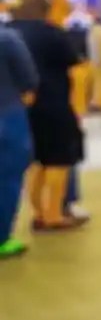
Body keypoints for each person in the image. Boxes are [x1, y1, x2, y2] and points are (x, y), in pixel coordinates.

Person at [9, 0, 87, 231]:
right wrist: (79, 106)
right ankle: (52, 215)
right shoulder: (53, 35)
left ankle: (39, 212)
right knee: (59, 163)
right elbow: (79, 72)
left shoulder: (9, 33)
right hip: (54, 104)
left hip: (18, 107)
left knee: (37, 163)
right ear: (47, 10)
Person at [0, 23, 37, 259]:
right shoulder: (7, 39)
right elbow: (29, 81)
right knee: (7, 178)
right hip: (7, 115)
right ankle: (2, 239)